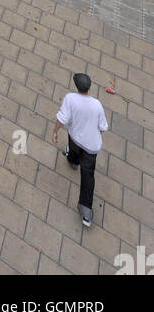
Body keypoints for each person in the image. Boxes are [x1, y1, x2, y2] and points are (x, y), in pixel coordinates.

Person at [51, 73, 108, 227]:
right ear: (89, 87)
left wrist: (55, 132)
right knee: (88, 176)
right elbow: (103, 127)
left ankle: (73, 161)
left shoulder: (70, 98)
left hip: (75, 137)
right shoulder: (97, 104)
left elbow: (62, 119)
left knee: (74, 152)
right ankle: (86, 211)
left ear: (77, 87)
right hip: (91, 147)